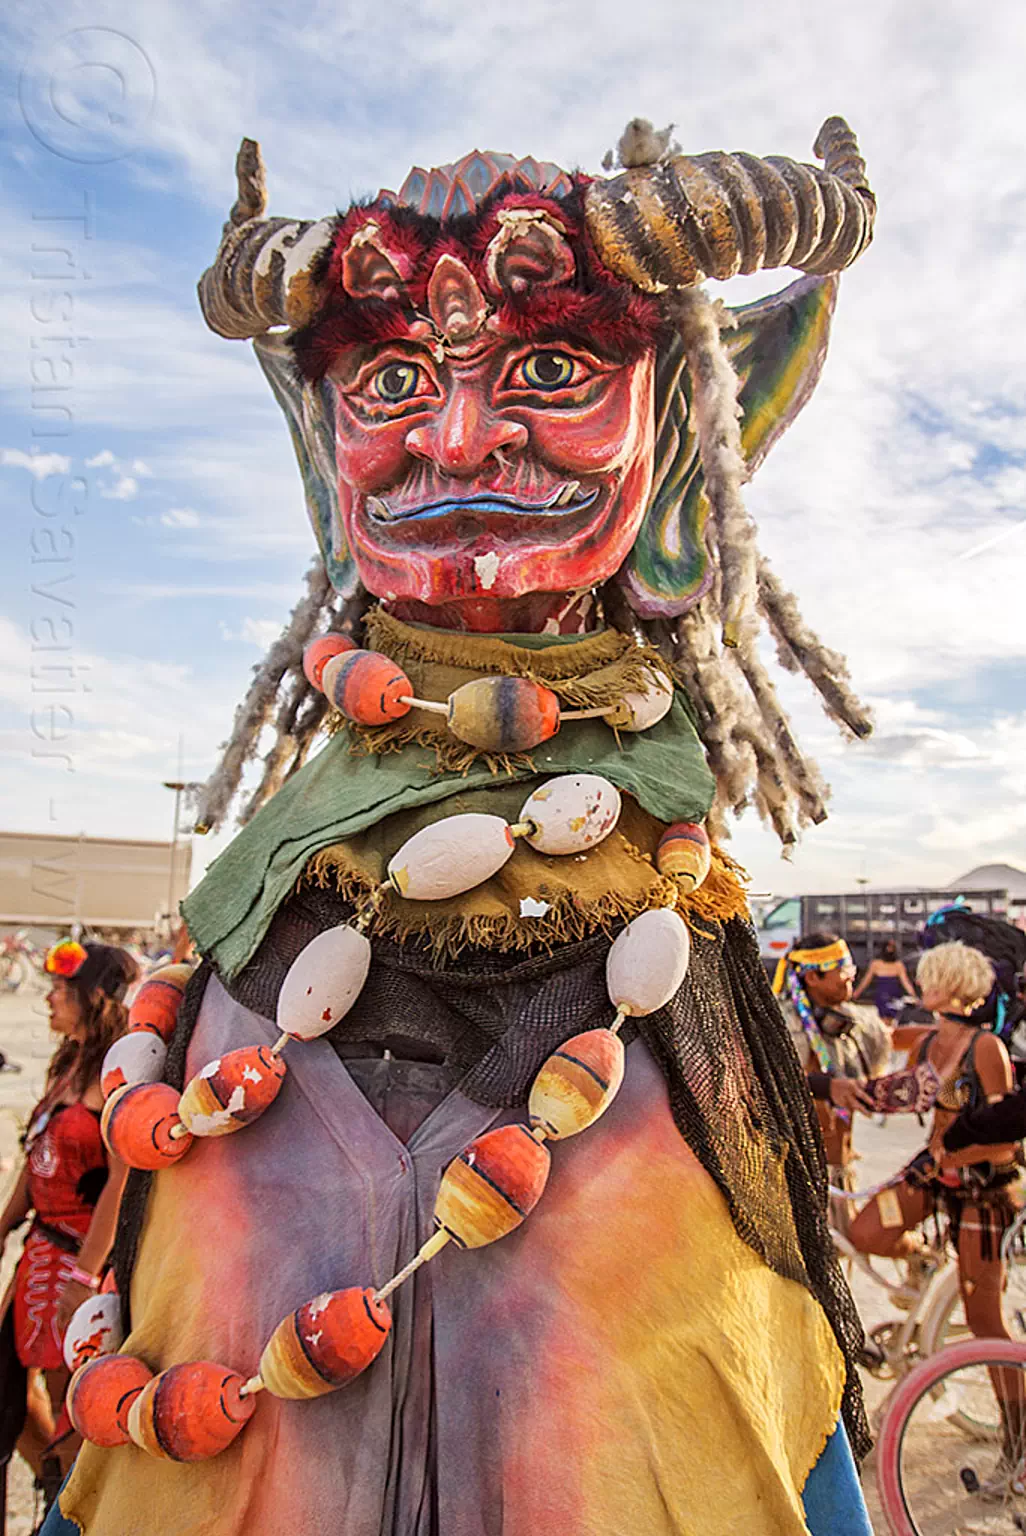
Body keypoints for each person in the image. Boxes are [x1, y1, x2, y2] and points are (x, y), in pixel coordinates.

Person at [48, 116, 881, 1535]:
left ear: (686, 438)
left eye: (551, 367)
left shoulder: (677, 924)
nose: (450, 436)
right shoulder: (249, 927)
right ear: (328, 459)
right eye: (385, 380)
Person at [849, 941, 1023, 1471]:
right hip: (935, 1177)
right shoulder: (928, 1045)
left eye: (931, 978)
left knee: (985, 1319)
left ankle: (1017, 1438)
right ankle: (923, 1256)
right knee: (864, 1233)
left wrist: (948, 1155)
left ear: (952, 985)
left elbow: (1004, 1142)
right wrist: (825, 1085)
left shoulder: (986, 1049)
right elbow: (893, 1092)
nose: (922, 985)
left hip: (982, 1191)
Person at [0, 940, 137, 1501]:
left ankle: (63, 1502)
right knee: (8, 1382)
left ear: (96, 996)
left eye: (62, 988)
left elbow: (121, 1181)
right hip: (37, 1256)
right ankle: (47, 1479)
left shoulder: (120, 1071)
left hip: (78, 1260)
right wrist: (4, 1223)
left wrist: (84, 1278)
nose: (50, 998)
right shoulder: (68, 1061)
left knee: (67, 1403)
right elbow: (35, 1158)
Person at [774, 932, 891, 1187]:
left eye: (851, 967)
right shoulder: (781, 1025)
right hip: (797, 1181)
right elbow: (769, 1081)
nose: (852, 975)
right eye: (842, 969)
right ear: (813, 977)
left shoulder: (857, 1024)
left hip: (841, 1175)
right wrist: (826, 1087)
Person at [851, 938, 916, 1020]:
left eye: (892, 947)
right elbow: (865, 981)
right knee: (883, 1019)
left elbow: (905, 982)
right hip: (881, 997)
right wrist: (855, 994)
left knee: (894, 1019)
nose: (889, 949)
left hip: (894, 997)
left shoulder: (898, 965)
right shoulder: (875, 964)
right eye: (888, 947)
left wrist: (914, 996)